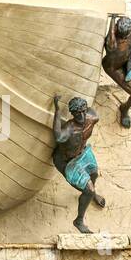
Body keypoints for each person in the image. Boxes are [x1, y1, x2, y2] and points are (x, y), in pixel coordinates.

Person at [51, 95, 106, 233]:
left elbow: (92, 112)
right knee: (88, 190)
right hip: (67, 162)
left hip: (82, 153)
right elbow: (58, 136)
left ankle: (93, 194)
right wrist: (57, 110)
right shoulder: (70, 128)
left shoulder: (92, 118)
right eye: (77, 113)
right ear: (72, 114)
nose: (81, 115)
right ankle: (79, 220)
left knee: (94, 173)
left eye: (83, 110)